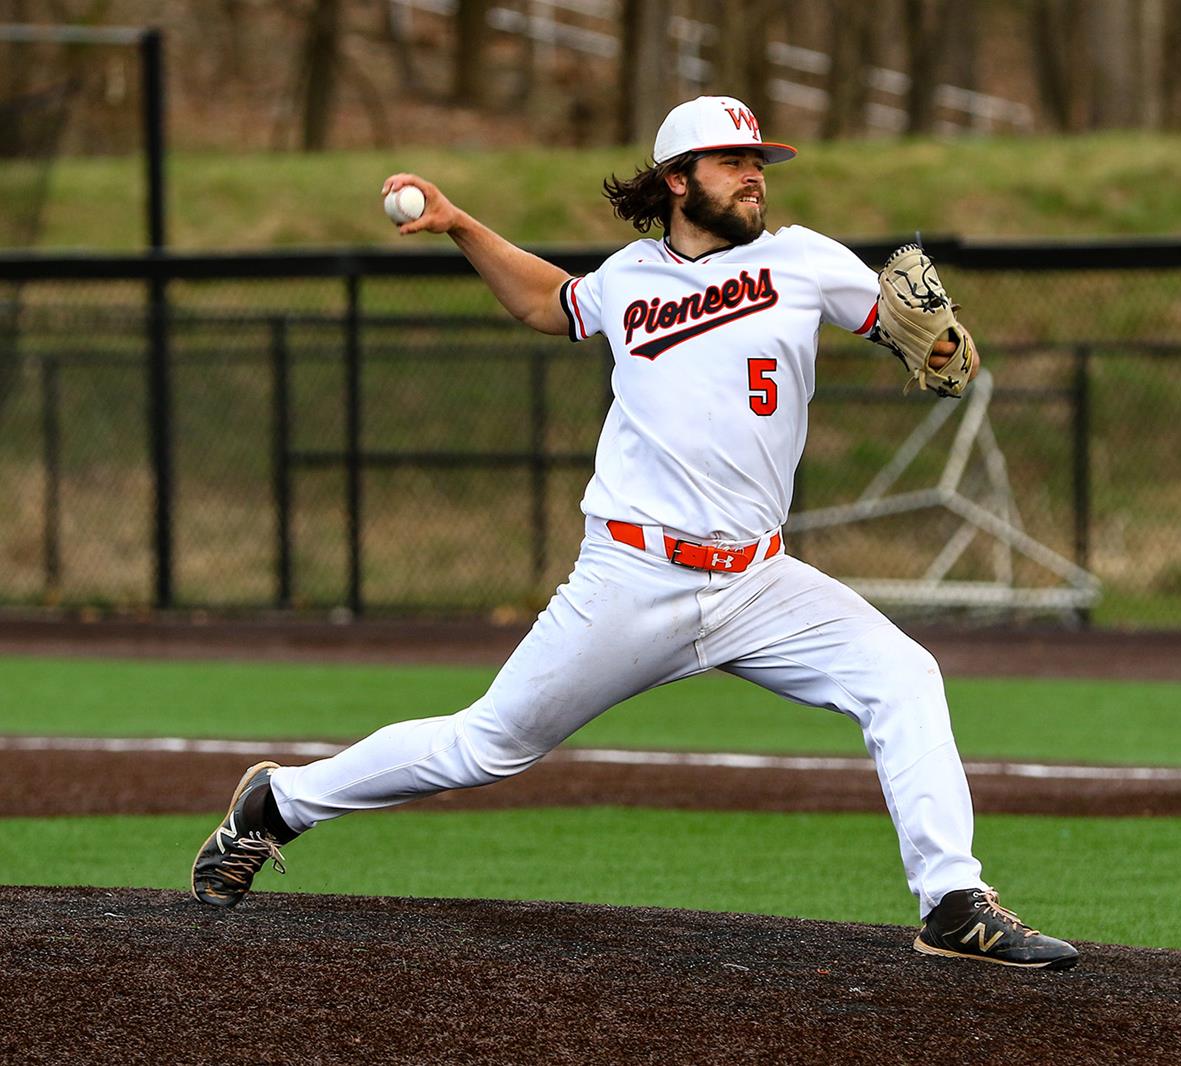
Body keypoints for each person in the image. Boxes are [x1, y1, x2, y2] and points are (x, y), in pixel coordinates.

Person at [191, 96, 1079, 971]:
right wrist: (463, 224)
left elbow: (917, 340)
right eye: (735, 163)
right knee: (487, 745)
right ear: (679, 179)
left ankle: (953, 902)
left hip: (759, 583)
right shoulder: (628, 280)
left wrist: (937, 349)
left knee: (903, 676)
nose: (754, 177)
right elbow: (548, 303)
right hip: (632, 577)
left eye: (759, 162)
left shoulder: (806, 261)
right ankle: (283, 802)